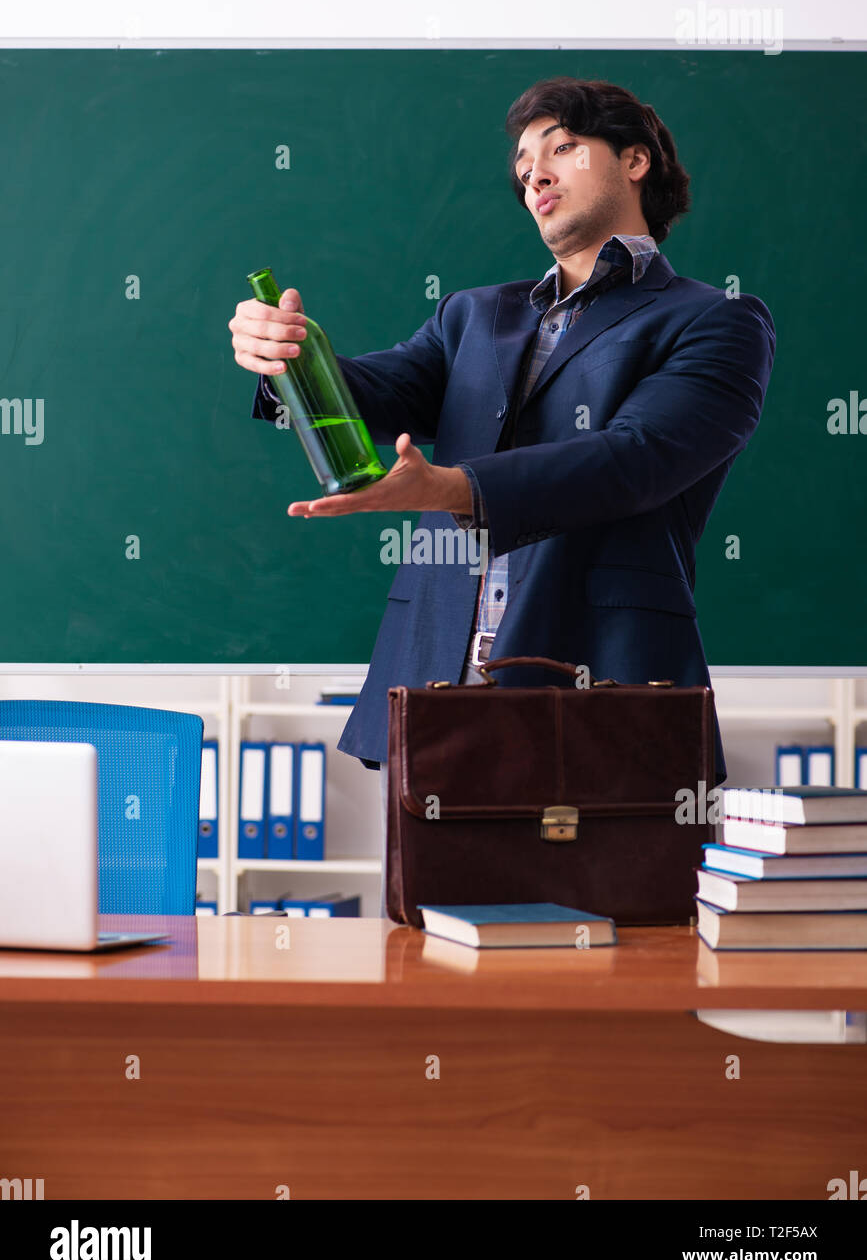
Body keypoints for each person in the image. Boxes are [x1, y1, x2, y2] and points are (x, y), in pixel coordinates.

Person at [229, 76, 775, 914]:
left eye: (560, 147)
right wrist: (286, 357)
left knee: (621, 965)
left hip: (605, 694)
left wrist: (455, 488)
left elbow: (635, 460)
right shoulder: (472, 317)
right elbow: (362, 391)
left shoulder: (715, 322)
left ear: (635, 162)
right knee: (426, 959)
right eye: (523, 165)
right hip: (440, 692)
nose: (535, 175)